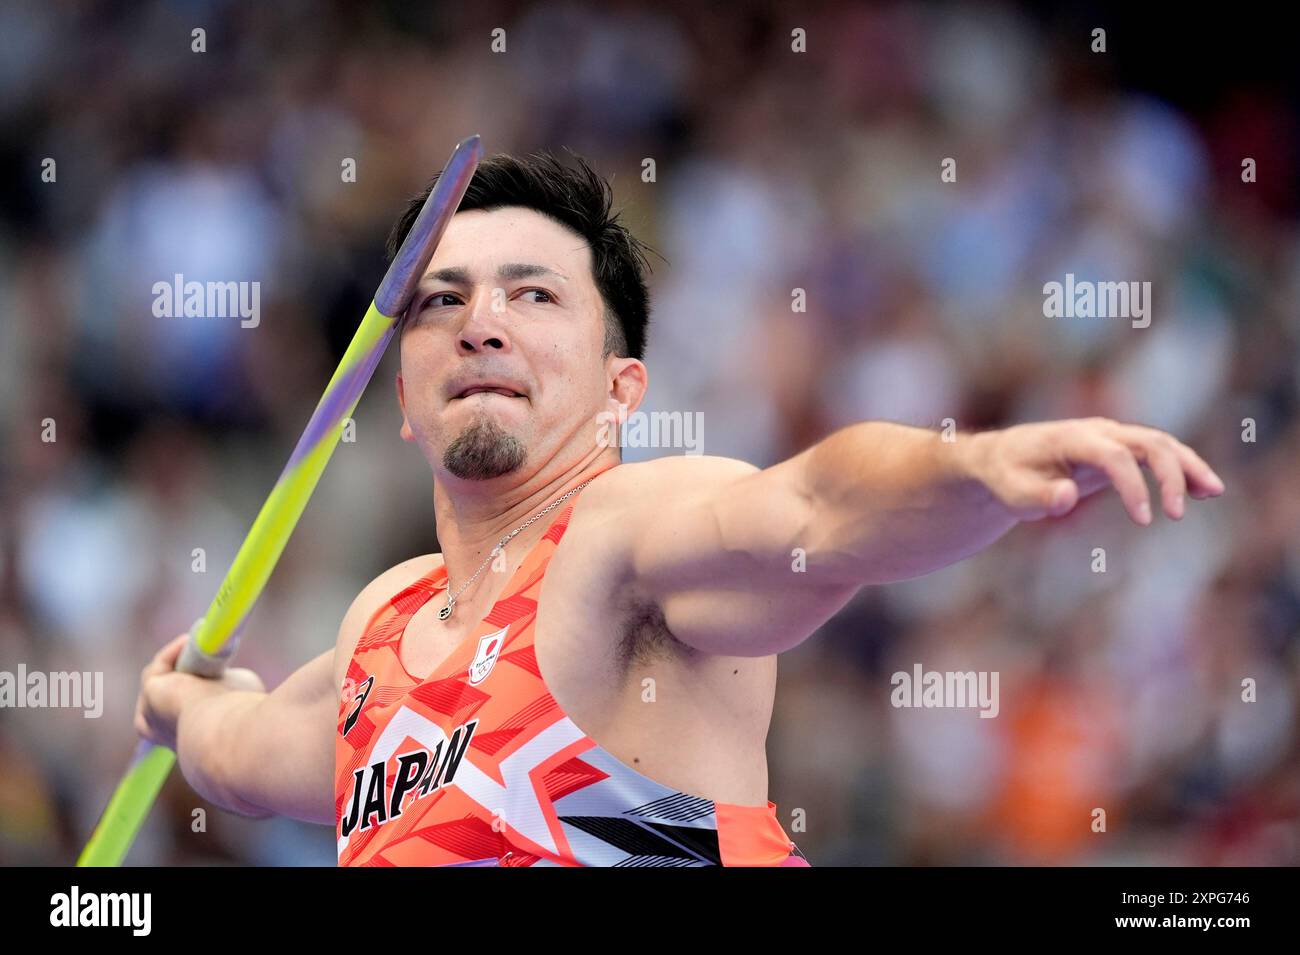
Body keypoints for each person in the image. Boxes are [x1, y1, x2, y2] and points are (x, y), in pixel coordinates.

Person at [135, 152, 1225, 866]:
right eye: (441, 301)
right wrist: (180, 708)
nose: (480, 324)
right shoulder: (380, 627)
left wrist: (974, 468)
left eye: (535, 293)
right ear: (407, 400)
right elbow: (250, 748)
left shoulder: (620, 539)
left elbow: (808, 510)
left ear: (622, 392)